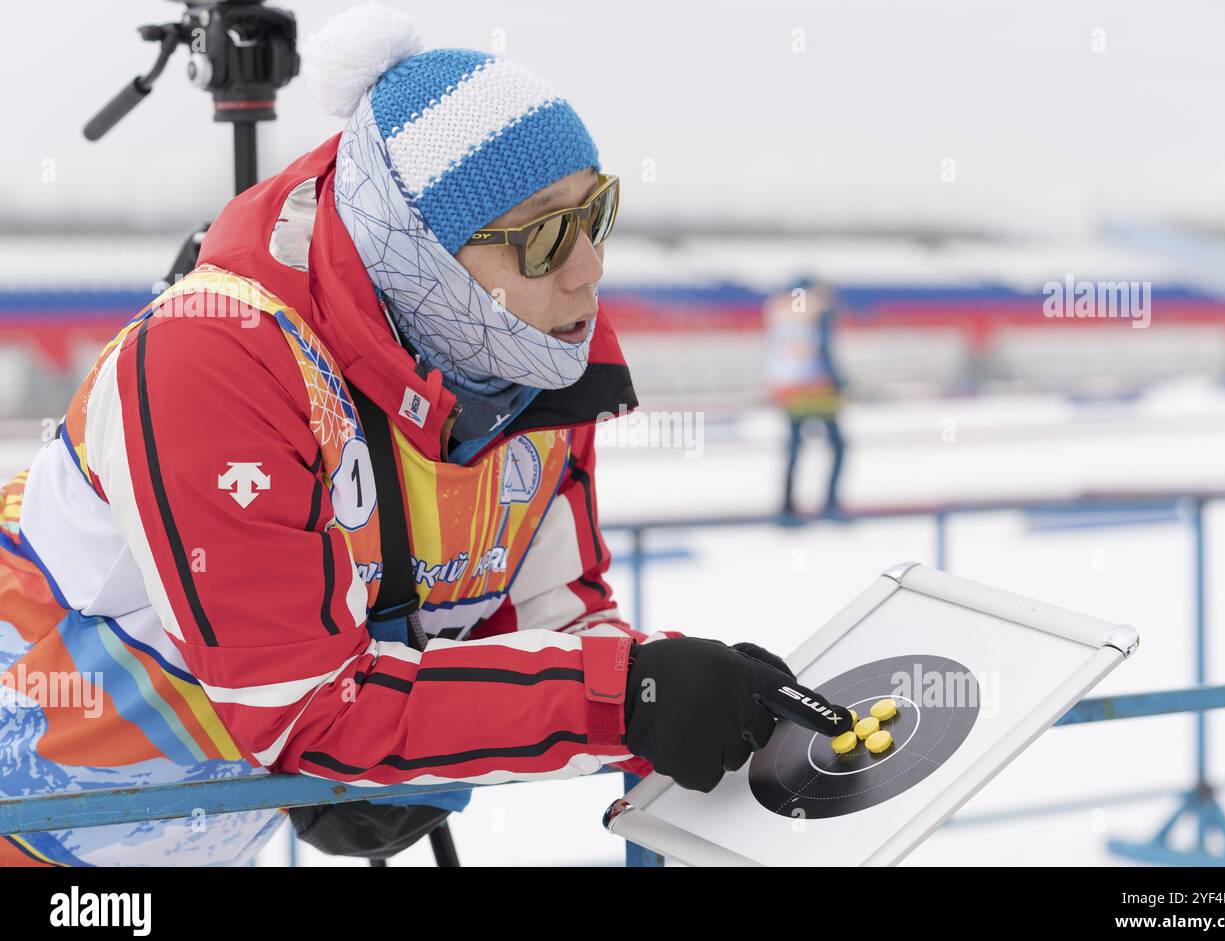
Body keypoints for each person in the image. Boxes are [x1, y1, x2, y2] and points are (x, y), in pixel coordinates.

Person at [0, 5, 849, 866]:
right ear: (422, 253)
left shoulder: (533, 363)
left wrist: (679, 688)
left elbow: (553, 625)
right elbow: (305, 711)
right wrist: (616, 701)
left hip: (200, 834)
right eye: (546, 234)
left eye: (597, 214)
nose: (589, 266)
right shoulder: (214, 360)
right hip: (32, 819)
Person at [763, 274, 847, 518]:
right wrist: (841, 384)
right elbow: (824, 349)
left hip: (789, 387)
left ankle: (787, 504)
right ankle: (830, 502)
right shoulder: (818, 310)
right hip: (818, 387)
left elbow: (772, 350)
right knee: (838, 446)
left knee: (794, 447)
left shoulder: (778, 311)